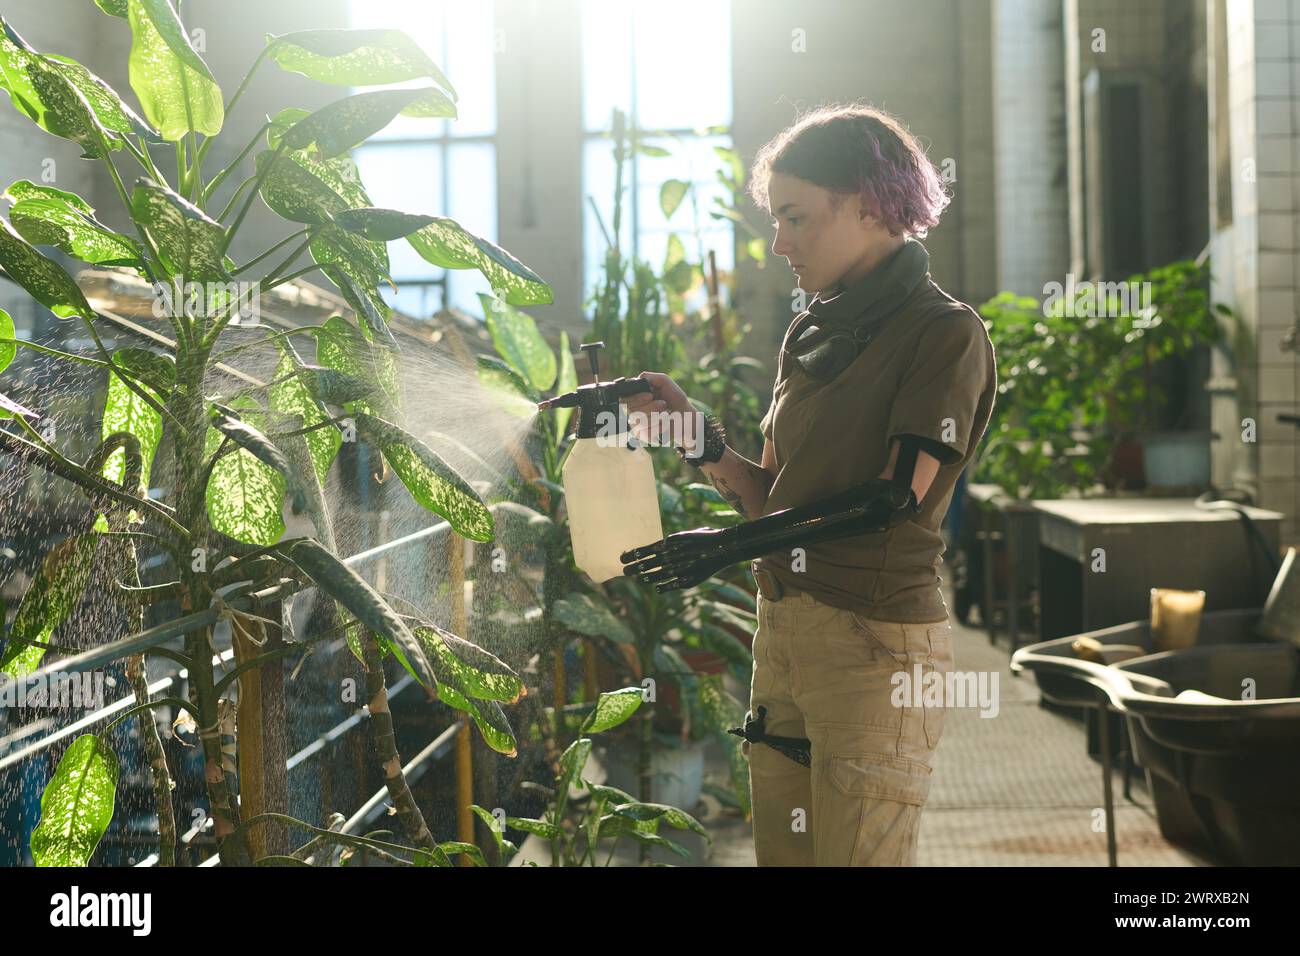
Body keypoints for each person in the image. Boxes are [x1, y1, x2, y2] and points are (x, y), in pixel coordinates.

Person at [620, 104, 998, 866]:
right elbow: (777, 497)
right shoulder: (811, 331)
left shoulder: (944, 333)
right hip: (786, 634)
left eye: (795, 218)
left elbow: (891, 499)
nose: (778, 243)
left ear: (865, 203)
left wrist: (728, 545)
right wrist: (689, 430)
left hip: (875, 643)